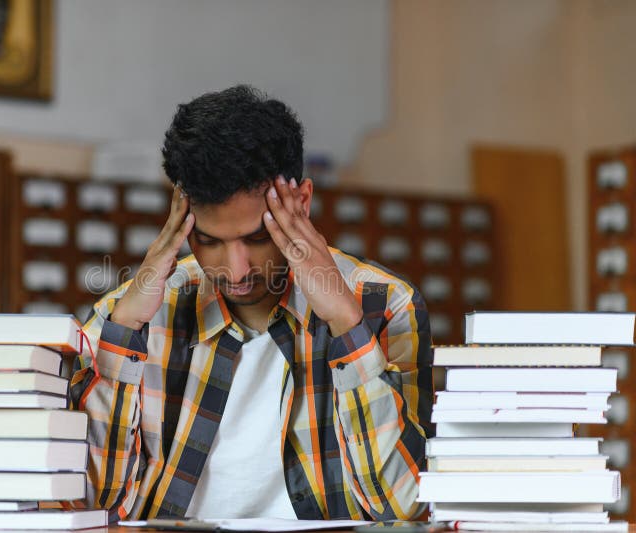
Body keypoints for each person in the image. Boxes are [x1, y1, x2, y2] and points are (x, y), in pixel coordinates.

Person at [70, 85, 434, 522]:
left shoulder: (386, 306)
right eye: (207, 241)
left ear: (301, 202)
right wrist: (125, 330)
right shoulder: (127, 316)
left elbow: (404, 507)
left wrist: (345, 324)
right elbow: (90, 506)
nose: (236, 270)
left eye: (258, 238)